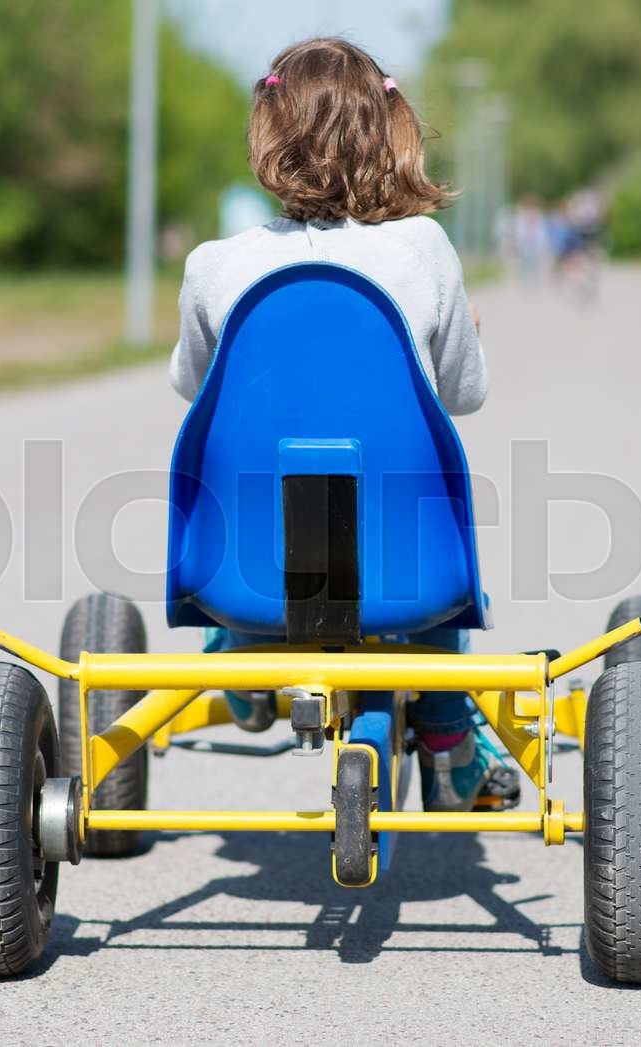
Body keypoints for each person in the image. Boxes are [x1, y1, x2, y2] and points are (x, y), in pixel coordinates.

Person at [167, 37, 513, 815]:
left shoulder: (212, 264)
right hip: (407, 574)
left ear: (265, 134)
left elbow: (193, 390)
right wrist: (462, 332)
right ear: (391, 130)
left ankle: (244, 658)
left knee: (284, 502)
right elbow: (464, 395)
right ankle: (452, 739)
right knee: (414, 506)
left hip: (243, 574)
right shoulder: (424, 249)